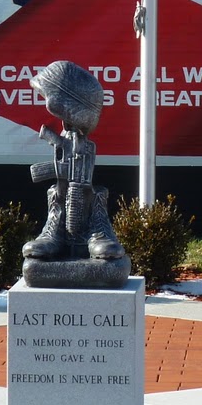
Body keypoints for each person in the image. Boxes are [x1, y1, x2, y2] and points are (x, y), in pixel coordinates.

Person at [23, 61, 124, 261]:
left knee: (94, 191)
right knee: (57, 189)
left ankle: (97, 226)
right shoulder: (63, 138)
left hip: (81, 192)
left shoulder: (86, 148)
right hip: (63, 190)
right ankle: (55, 225)